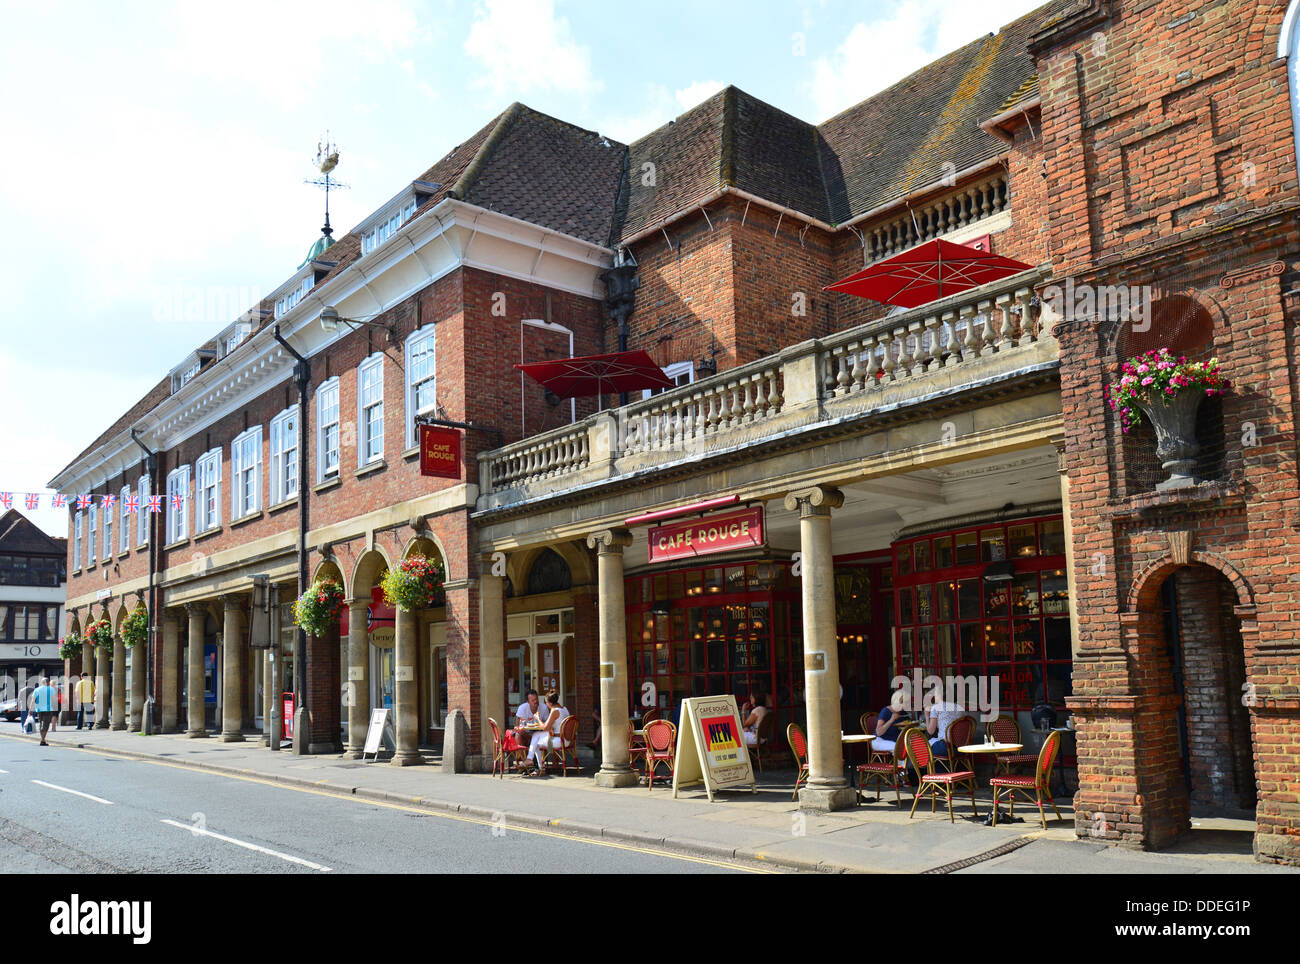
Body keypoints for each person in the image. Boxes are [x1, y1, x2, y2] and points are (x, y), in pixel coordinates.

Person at [524, 691, 570, 776]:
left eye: (546, 703)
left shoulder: (554, 711)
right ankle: (538, 764)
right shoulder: (564, 709)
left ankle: (539, 766)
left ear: (549, 703)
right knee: (537, 737)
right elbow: (556, 725)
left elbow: (545, 727)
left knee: (535, 738)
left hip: (559, 741)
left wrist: (537, 718)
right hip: (567, 740)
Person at [872, 688, 912, 754]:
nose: (908, 705)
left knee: (915, 745)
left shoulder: (903, 712)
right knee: (899, 748)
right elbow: (878, 732)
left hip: (896, 740)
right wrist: (891, 720)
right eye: (906, 702)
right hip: (880, 740)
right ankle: (900, 765)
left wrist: (912, 716)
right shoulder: (886, 711)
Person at [32, 677, 57, 746]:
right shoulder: (51, 689)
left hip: (39, 709)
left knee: (41, 723)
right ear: (48, 683)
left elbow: (33, 700)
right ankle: (43, 739)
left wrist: (30, 709)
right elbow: (55, 699)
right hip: (48, 709)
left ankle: (42, 739)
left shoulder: (37, 689)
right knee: (46, 724)